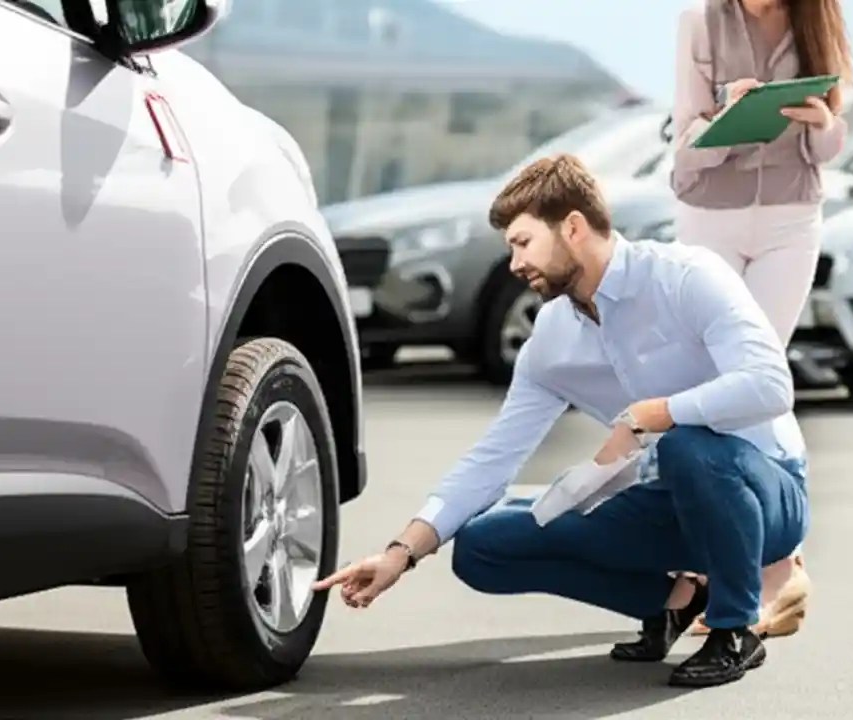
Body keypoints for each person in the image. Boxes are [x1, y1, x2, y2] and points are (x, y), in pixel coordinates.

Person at [312, 154, 810, 688]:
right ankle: (677, 600)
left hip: (763, 491)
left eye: (522, 243)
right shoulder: (551, 340)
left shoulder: (685, 276)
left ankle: (735, 629)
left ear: (572, 227)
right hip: (661, 501)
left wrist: (657, 413)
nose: (513, 264)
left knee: (689, 445)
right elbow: (492, 458)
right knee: (482, 545)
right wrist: (400, 554)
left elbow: (770, 385)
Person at [668, 0, 853, 637]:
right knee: (705, 379)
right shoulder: (701, 20)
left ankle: (776, 568)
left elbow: (828, 147)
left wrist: (823, 120)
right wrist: (728, 119)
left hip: (790, 219)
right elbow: (684, 150)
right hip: (709, 218)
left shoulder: (818, 21)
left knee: (759, 379)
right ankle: (711, 565)